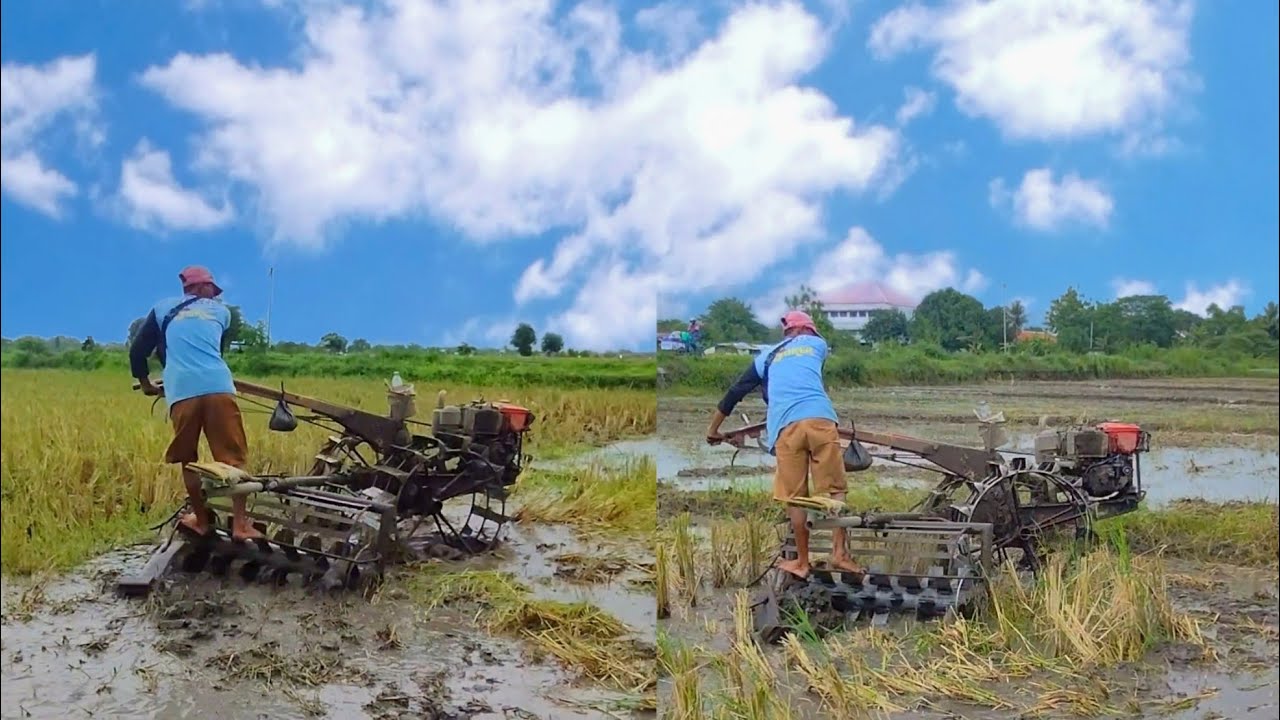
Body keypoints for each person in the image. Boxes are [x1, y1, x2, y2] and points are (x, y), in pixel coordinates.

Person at [704, 310, 862, 579]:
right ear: (806, 330)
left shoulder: (765, 357)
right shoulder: (818, 345)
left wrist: (713, 430)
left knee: (794, 496)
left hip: (785, 428)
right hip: (820, 419)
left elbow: (735, 392)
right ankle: (839, 554)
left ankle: (802, 562)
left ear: (788, 332)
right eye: (811, 330)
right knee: (835, 490)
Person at [129, 265, 262, 541]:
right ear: (201, 288)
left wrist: (147, 385)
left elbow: (138, 351)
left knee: (187, 459)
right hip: (219, 386)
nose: (214, 296)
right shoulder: (221, 313)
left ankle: (201, 521)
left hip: (182, 392)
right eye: (211, 290)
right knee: (233, 458)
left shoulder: (162, 308)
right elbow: (213, 351)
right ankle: (239, 525)